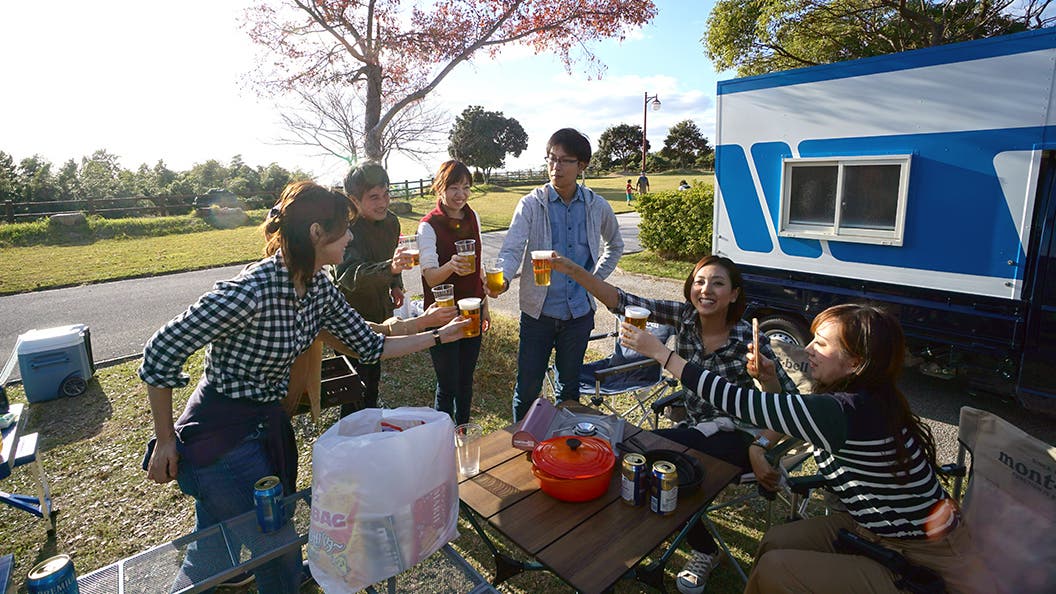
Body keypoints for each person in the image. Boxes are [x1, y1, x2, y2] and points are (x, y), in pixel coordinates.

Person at [140, 181, 468, 594]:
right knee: (277, 550)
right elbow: (160, 350)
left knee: (211, 552)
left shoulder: (319, 287)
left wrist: (440, 335)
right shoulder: (252, 290)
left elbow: (370, 345)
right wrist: (165, 439)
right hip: (220, 440)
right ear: (316, 233)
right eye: (343, 229)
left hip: (265, 427)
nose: (350, 236)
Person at [622, 303, 998, 594]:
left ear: (856, 362)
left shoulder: (848, 410)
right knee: (775, 541)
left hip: (920, 557)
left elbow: (737, 401)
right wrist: (768, 390)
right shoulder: (866, 397)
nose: (808, 349)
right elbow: (791, 419)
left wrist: (661, 353)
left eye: (821, 342)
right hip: (868, 527)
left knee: (775, 569)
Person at [551, 254, 798, 593]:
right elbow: (623, 301)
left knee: (661, 462)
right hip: (697, 430)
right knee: (634, 450)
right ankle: (627, 537)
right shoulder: (685, 318)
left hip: (741, 436)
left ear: (734, 295)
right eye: (699, 281)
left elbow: (791, 407)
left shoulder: (748, 341)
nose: (705, 290)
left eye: (717, 283)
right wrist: (573, 269)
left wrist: (760, 444)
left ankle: (704, 551)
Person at [490, 128, 625, 421]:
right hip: (538, 314)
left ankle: (565, 449)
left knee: (569, 390)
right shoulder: (531, 203)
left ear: (582, 166)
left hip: (578, 315)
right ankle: (522, 446)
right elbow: (512, 248)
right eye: (551, 159)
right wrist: (501, 278)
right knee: (527, 389)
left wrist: (594, 281)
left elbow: (615, 245)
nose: (556, 167)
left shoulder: (596, 205)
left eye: (565, 161)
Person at [418, 160, 490, 425]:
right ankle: (441, 438)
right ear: (440, 188)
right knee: (447, 383)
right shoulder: (428, 226)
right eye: (454, 187)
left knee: (465, 381)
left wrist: (485, 306)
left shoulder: (474, 217)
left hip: (471, 311)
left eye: (466, 187)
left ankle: (463, 432)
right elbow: (430, 276)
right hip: (442, 315)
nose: (461, 194)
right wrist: (451, 265)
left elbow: (479, 267)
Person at [335, 162, 409, 413]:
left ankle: (370, 431)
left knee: (372, 382)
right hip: (349, 317)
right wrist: (390, 269)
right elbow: (350, 276)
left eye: (386, 194)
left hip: (380, 313)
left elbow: (390, 258)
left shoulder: (391, 223)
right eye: (374, 197)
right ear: (353, 200)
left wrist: (395, 284)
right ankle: (351, 441)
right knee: (353, 388)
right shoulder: (342, 230)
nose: (383, 202)